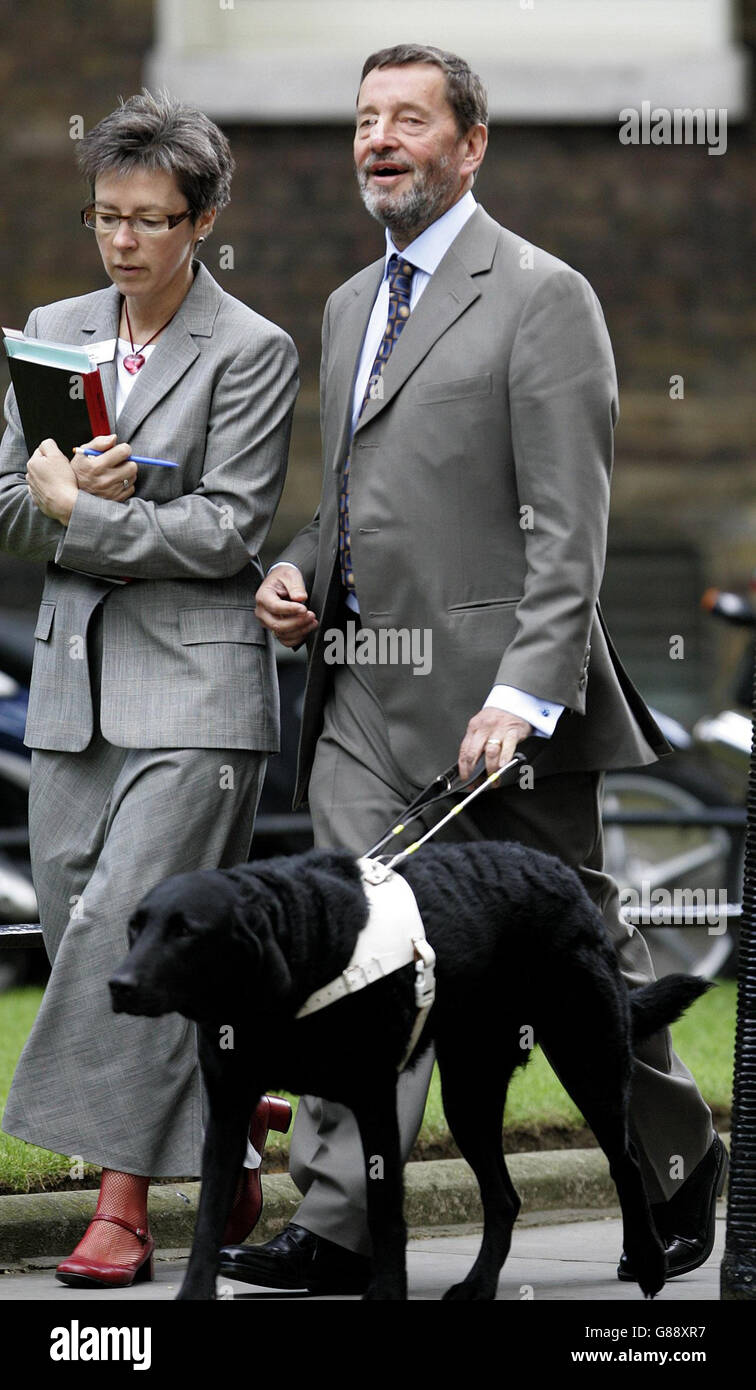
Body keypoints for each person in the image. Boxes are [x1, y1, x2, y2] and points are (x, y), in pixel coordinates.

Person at [235, 45, 726, 1295]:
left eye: (409, 118)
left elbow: (573, 526)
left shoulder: (545, 295)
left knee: (582, 959)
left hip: (503, 715)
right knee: (356, 950)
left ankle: (674, 1164)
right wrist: (296, 567)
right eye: (363, 119)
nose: (378, 139)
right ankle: (343, 1218)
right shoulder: (349, 306)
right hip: (357, 697)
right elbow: (351, 503)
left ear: (472, 144)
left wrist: (522, 692)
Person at [0, 91, 298, 1287]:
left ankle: (119, 1207)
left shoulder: (253, 350)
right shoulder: (50, 330)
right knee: (82, 918)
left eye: (149, 220)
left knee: (138, 931)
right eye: (104, 216)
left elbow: (228, 533)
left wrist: (89, 509)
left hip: (201, 694)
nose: (122, 241)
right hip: (74, 688)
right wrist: (68, 505)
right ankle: (226, 1140)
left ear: (203, 220)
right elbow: (10, 508)